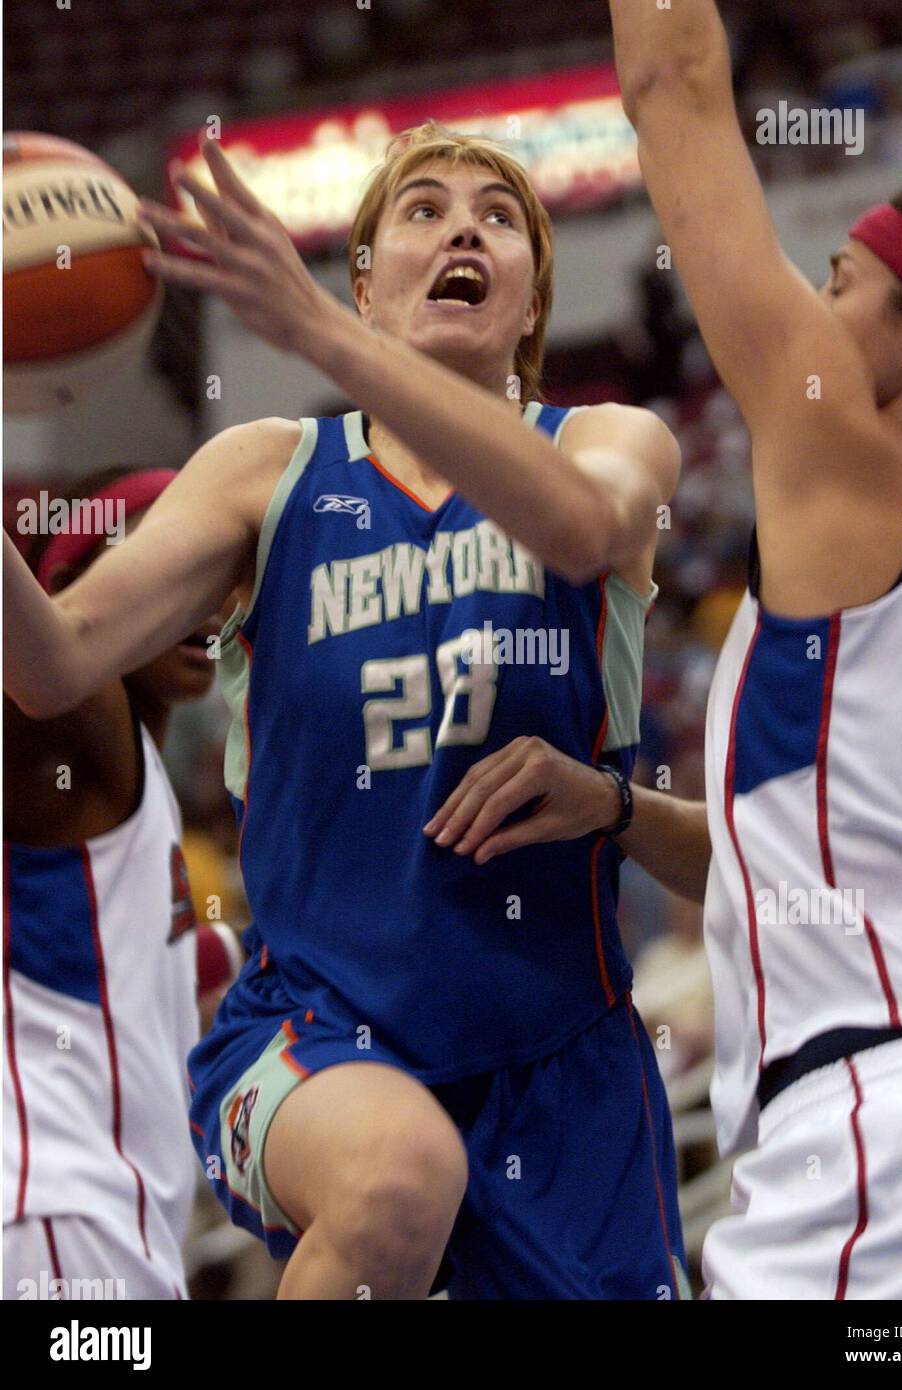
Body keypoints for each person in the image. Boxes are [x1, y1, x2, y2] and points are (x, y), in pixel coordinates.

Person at [5, 124, 686, 1299]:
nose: (462, 225)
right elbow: (54, 664)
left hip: (568, 1077)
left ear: (531, 305)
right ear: (365, 284)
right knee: (395, 1175)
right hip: (311, 1041)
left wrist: (316, 328)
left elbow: (576, 524)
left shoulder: (610, 442)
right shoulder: (267, 470)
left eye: (497, 215)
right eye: (421, 210)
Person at [422, 1, 902, 1300]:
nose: (809, 305)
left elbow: (677, 86)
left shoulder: (855, 469)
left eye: (840, 287)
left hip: (888, 1129)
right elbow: (845, 855)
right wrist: (614, 808)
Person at [3, 469, 237, 1301]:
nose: (202, 598)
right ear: (66, 592)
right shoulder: (76, 716)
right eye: (160, 558)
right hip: (61, 1222)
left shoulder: (131, 787)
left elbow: (165, 964)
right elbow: (36, 657)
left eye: (215, 566)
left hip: (103, 1232)